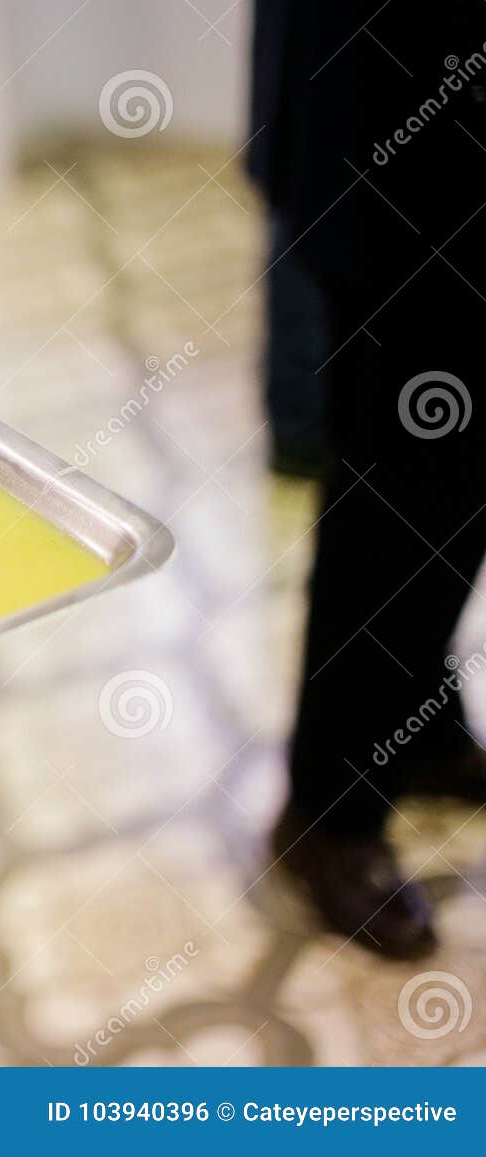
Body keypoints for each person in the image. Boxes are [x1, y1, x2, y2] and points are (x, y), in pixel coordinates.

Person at [251, 1, 486, 958]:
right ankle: (329, 810)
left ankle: (416, 725)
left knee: (455, 480)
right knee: (403, 484)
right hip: (409, 141)